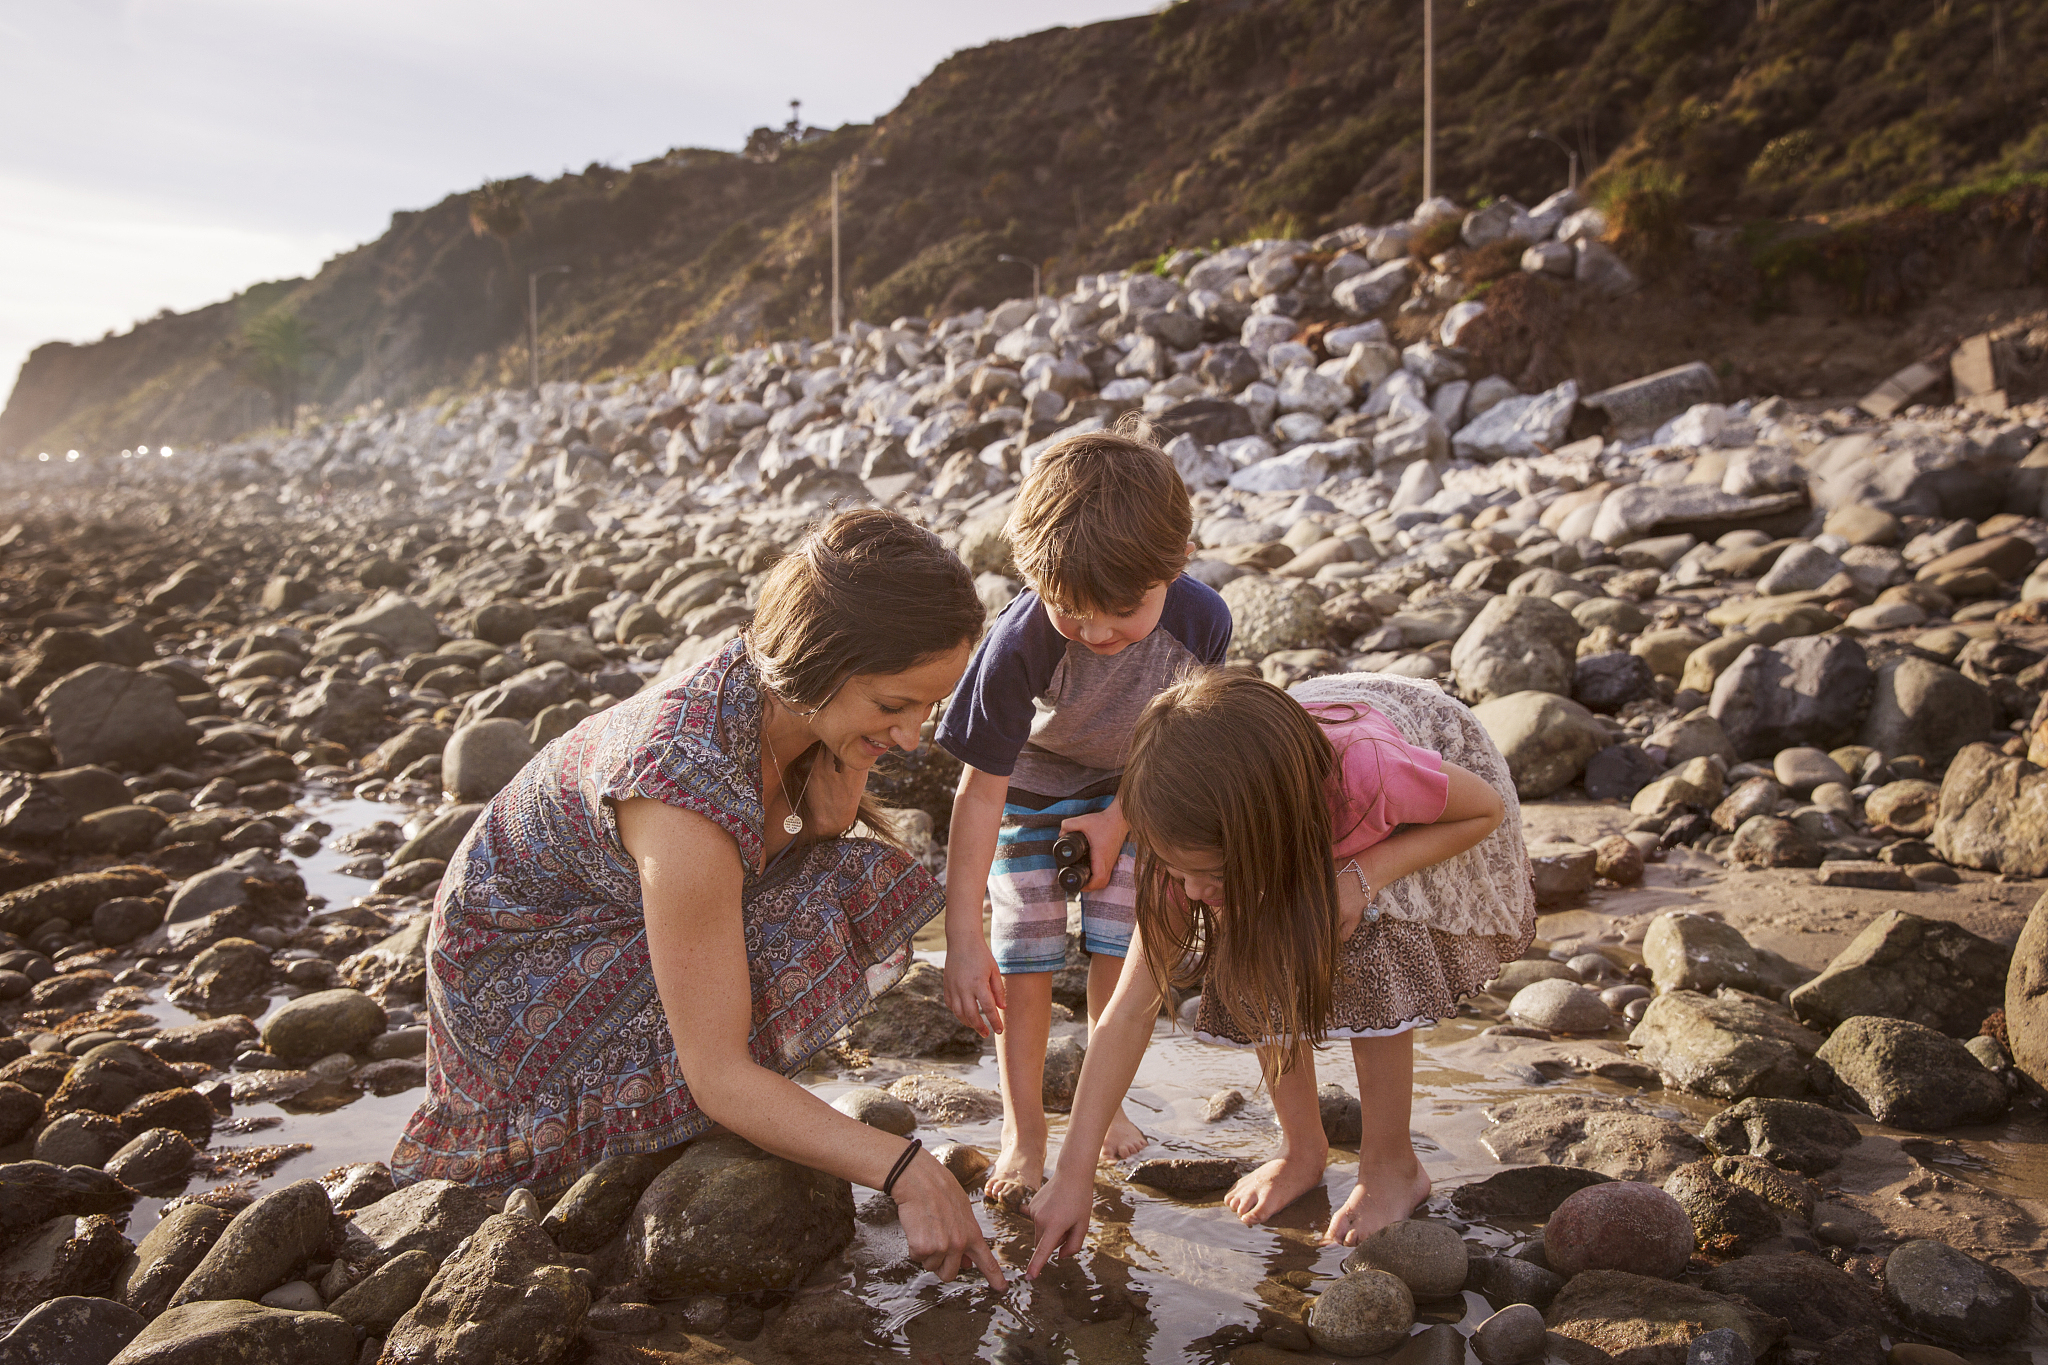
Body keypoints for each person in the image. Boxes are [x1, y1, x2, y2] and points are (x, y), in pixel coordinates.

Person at [394, 508, 1004, 1287]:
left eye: (929, 707)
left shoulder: (776, 695)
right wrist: (906, 1169)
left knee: (845, 875)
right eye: (893, 706)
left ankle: (699, 1106)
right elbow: (716, 1072)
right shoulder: (686, 781)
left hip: (604, 916)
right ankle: (615, 1132)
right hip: (515, 976)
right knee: (726, 1058)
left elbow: (812, 828)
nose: (914, 737)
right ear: (818, 662)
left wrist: (851, 758)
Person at [1028, 670, 1534, 1271]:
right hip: (1275, 777)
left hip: (1420, 783)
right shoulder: (1183, 847)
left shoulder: (1370, 777)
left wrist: (1363, 877)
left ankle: (1392, 1165)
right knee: (1253, 948)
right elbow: (1126, 1015)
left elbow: (1483, 810)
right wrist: (1073, 1173)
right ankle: (1301, 1149)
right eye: (1180, 870)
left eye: (1212, 874)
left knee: (1369, 944)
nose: (1193, 891)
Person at [936, 425, 1231, 1207]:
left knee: (1118, 949)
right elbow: (979, 792)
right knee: (1026, 954)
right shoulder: (1018, 642)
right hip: (1029, 787)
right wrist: (962, 937)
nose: (1096, 633)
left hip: (1137, 781)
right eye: (1071, 611)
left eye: (1121, 612)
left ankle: (1106, 1107)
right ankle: (1024, 1128)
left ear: (1176, 563)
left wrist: (1119, 820)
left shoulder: (1202, 620)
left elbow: (1181, 738)